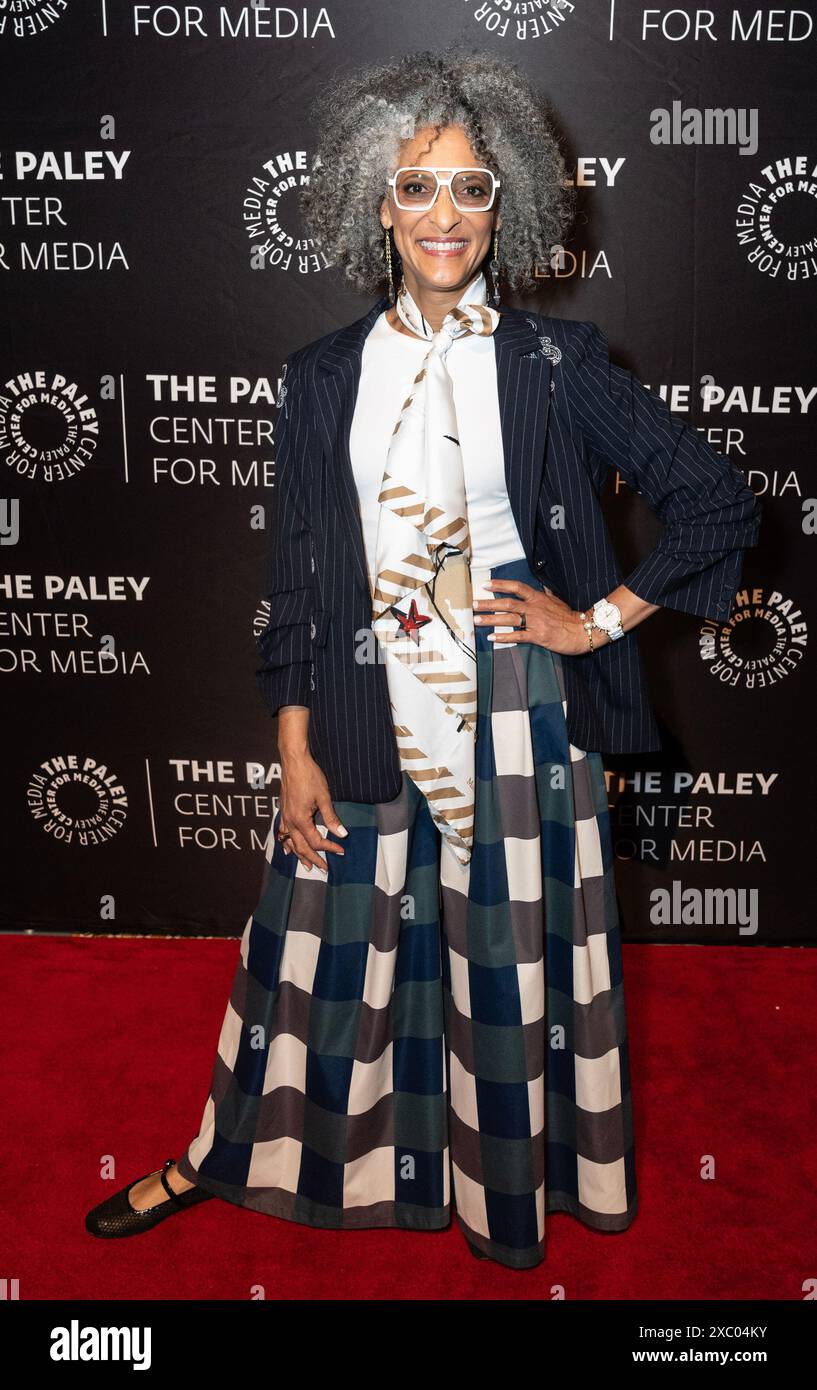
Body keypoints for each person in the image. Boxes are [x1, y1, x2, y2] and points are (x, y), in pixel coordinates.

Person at [85, 48, 761, 1269]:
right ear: (373, 204)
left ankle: (505, 1190)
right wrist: (291, 743)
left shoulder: (553, 368)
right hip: (359, 695)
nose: (441, 216)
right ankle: (227, 1154)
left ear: (508, 205)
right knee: (312, 961)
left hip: (516, 721)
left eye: (468, 188)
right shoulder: (323, 378)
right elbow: (296, 580)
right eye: (413, 188)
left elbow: (714, 500)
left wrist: (589, 619)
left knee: (506, 975)